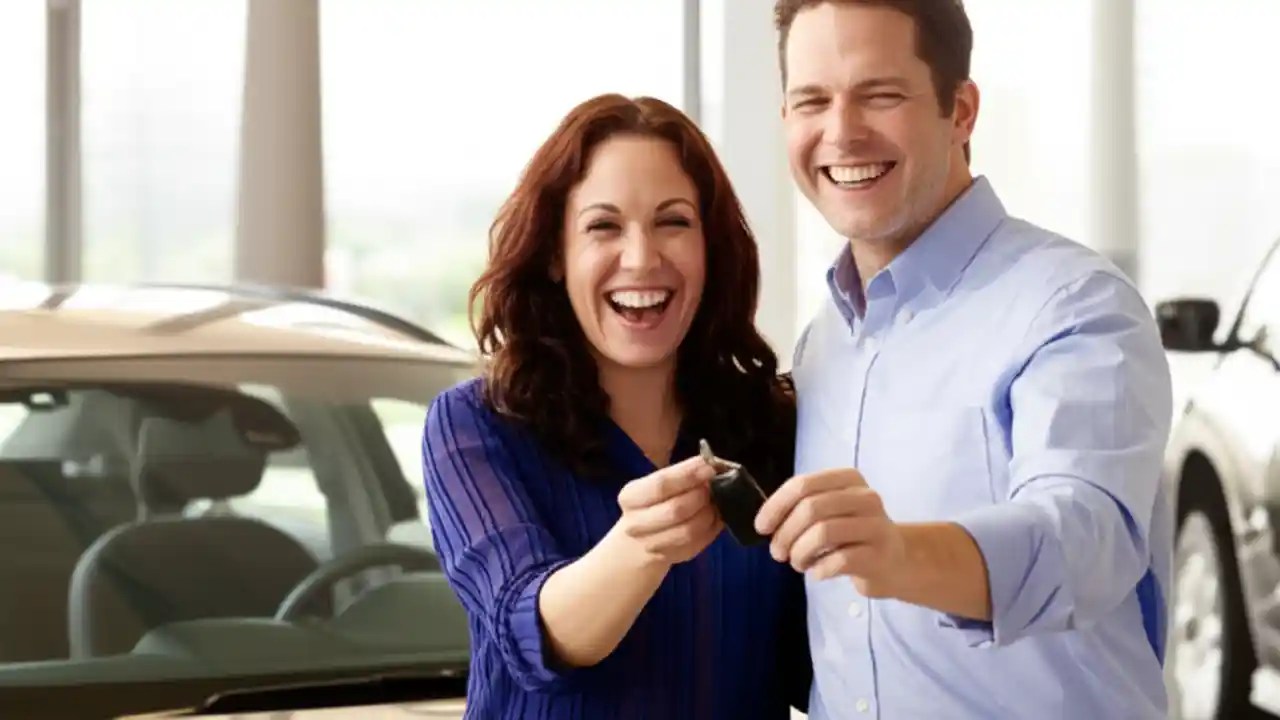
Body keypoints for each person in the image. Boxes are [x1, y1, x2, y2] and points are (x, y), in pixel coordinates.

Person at [753, 1, 1174, 718]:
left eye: (879, 95)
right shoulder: (824, 343)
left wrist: (903, 555)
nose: (841, 132)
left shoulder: (1074, 305)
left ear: (962, 112)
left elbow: (1083, 537)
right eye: (811, 101)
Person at [421, 94, 810, 719]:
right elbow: (530, 633)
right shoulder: (475, 428)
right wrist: (640, 546)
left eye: (674, 222)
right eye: (604, 226)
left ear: (711, 249)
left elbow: (817, 660)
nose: (641, 258)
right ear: (554, 254)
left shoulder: (771, 424)